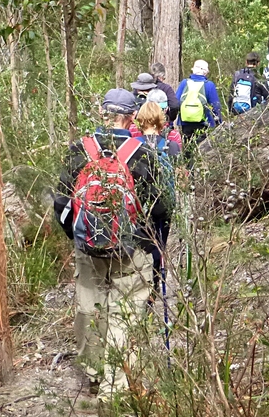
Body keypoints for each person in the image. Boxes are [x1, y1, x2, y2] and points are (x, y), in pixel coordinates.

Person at [53, 88, 170, 400]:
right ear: (131, 116)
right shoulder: (143, 153)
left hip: (86, 248)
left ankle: (93, 372)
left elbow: (61, 204)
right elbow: (160, 209)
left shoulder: (79, 150)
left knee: (89, 307)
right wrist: (155, 251)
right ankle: (114, 390)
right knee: (125, 313)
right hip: (131, 251)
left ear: (102, 112)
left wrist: (79, 238)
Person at [134, 101, 180, 299]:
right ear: (161, 120)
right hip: (166, 205)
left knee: (143, 244)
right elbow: (180, 177)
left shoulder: (133, 147)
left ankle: (146, 288)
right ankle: (159, 278)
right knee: (160, 243)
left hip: (141, 206)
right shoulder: (172, 146)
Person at [175, 59, 222, 145]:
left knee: (188, 149)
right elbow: (216, 106)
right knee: (201, 149)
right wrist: (219, 123)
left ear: (193, 69)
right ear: (205, 72)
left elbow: (176, 102)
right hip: (203, 123)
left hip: (185, 122)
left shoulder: (184, 83)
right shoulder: (209, 85)